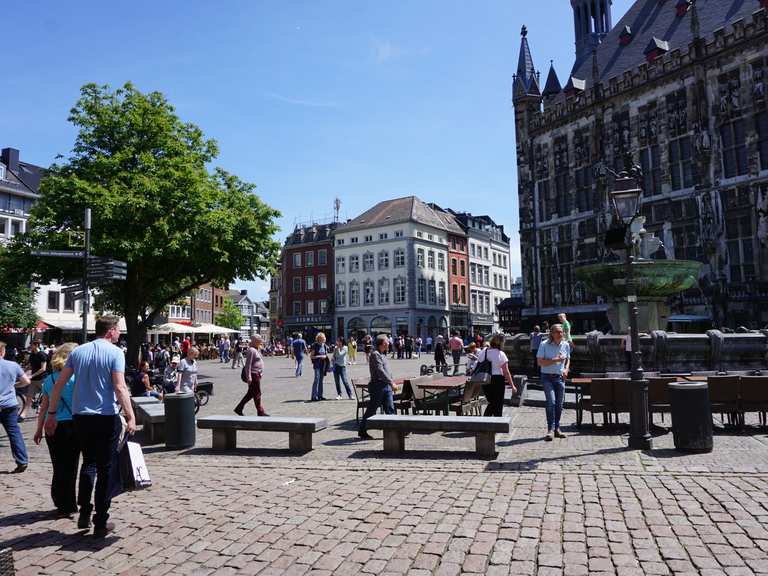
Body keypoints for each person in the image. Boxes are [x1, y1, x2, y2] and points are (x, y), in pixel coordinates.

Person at [44, 316, 137, 538]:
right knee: (105, 468)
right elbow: (120, 386)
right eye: (118, 331)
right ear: (111, 331)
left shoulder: (78, 352)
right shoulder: (115, 353)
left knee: (89, 463)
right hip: (105, 416)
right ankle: (101, 521)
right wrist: (130, 415)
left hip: (80, 416)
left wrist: (52, 413)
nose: (119, 335)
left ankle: (85, 510)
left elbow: (58, 384)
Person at [33, 342, 80, 515]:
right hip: (72, 424)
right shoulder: (76, 378)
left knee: (58, 465)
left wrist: (38, 429)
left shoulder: (50, 379)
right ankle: (69, 504)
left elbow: (44, 407)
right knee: (71, 465)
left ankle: (59, 500)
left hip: (51, 426)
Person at [537, 323, 571, 441]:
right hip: (547, 377)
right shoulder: (544, 344)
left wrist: (566, 369)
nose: (560, 334)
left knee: (559, 405)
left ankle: (557, 428)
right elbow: (540, 362)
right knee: (551, 402)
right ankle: (550, 430)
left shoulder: (565, 345)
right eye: (557, 332)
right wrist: (555, 360)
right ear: (552, 333)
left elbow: (567, 359)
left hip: (560, 378)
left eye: (561, 332)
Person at [0, 341, 30, 473]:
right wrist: (13, 385)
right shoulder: (13, 365)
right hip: (9, 404)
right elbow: (26, 381)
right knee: (14, 433)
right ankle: (22, 460)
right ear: (2, 352)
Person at [358, 334, 396, 439]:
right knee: (372, 410)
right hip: (377, 386)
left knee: (390, 409)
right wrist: (391, 382)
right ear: (383, 343)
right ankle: (362, 430)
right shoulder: (375, 354)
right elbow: (380, 371)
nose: (389, 343)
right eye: (387, 341)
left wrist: (390, 381)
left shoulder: (383, 354)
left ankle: (394, 430)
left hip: (386, 386)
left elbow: (387, 371)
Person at [475, 334, 516, 417]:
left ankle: (487, 421)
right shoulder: (501, 354)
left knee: (492, 402)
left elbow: (478, 363)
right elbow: (506, 372)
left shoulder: (484, 351)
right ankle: (495, 421)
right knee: (498, 403)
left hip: (485, 379)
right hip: (498, 379)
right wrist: (512, 386)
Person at [234, 335, 268, 416]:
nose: (261, 342)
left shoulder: (256, 349)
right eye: (259, 340)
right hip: (253, 374)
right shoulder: (251, 350)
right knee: (257, 393)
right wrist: (249, 377)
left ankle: (239, 408)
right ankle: (260, 411)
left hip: (257, 374)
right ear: (255, 341)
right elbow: (248, 364)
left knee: (251, 393)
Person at [20, 340, 47, 420]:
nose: (30, 346)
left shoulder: (42, 355)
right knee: (29, 398)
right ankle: (22, 416)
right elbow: (30, 366)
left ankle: (46, 412)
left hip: (42, 379)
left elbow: (43, 369)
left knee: (47, 397)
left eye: (31, 345)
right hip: (34, 380)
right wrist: (22, 373)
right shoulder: (32, 355)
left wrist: (32, 375)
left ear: (36, 345)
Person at [309, 333, 329, 401]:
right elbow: (311, 356)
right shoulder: (315, 346)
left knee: (321, 380)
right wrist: (319, 356)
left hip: (323, 365)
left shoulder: (325, 346)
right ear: (318, 339)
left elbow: (326, 355)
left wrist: (325, 356)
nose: (322, 340)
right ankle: (314, 396)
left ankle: (320, 395)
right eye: (321, 339)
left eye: (323, 339)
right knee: (316, 379)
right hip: (317, 365)